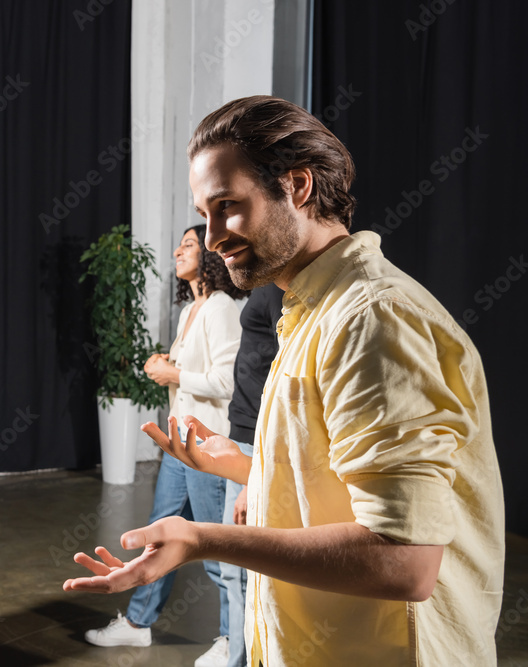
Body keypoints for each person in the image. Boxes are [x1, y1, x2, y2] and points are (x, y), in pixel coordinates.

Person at [63, 95, 504, 666]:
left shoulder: (372, 318)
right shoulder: (310, 312)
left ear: (296, 187)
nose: (212, 234)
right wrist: (242, 465)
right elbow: (343, 490)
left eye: (227, 206)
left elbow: (406, 560)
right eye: (204, 213)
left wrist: (202, 539)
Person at [84, 226, 248, 667]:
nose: (179, 250)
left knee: (215, 549)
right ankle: (138, 625)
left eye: (190, 244)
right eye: (180, 244)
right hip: (179, 447)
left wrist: (174, 375)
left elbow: (227, 382)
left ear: (211, 256)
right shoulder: (190, 311)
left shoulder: (220, 307)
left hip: (207, 449)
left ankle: (232, 641)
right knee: (157, 537)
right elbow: (194, 373)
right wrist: (168, 365)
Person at [218, 282, 282, 667]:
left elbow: (285, 376)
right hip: (243, 437)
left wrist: (253, 476)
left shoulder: (280, 285)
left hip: (255, 444)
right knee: (234, 571)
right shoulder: (268, 283)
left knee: (239, 571)